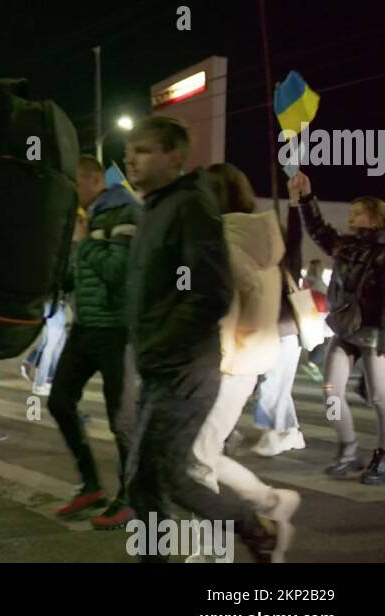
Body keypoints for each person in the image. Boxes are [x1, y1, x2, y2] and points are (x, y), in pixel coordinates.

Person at [124, 116, 284, 562]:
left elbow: (207, 292)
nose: (130, 158)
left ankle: (254, 526)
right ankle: (252, 529)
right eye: (128, 150)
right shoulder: (158, 206)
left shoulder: (189, 207)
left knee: (164, 477)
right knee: (153, 479)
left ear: (174, 156)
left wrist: (163, 345)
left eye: (143, 150)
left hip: (183, 368)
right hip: (163, 365)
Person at [186, 163, 302, 562]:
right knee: (203, 453)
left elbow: (224, 312)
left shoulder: (225, 244)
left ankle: (213, 552)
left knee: (196, 461)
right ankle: (271, 502)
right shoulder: (258, 239)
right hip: (245, 361)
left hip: (224, 364)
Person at [48, 155, 140, 529]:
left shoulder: (125, 212)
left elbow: (118, 271)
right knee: (58, 401)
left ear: (94, 180)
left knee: (121, 418)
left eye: (75, 186)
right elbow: (76, 277)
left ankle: (132, 497)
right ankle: (91, 485)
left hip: (117, 329)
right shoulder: (85, 219)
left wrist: (84, 242)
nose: (71, 195)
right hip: (85, 326)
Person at [295, 171, 385, 484]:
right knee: (331, 393)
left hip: (375, 333)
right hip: (345, 329)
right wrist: (306, 198)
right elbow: (318, 230)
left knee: (379, 399)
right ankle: (349, 450)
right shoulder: (345, 246)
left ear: (374, 217)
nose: (351, 217)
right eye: (350, 212)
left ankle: (383, 457)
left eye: (358, 212)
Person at [250, 173, 307, 457]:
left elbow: (296, 234)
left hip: (285, 335)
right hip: (268, 335)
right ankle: (291, 432)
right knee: (275, 385)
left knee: (272, 386)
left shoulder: (288, 262)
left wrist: (294, 203)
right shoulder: (259, 266)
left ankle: (276, 433)